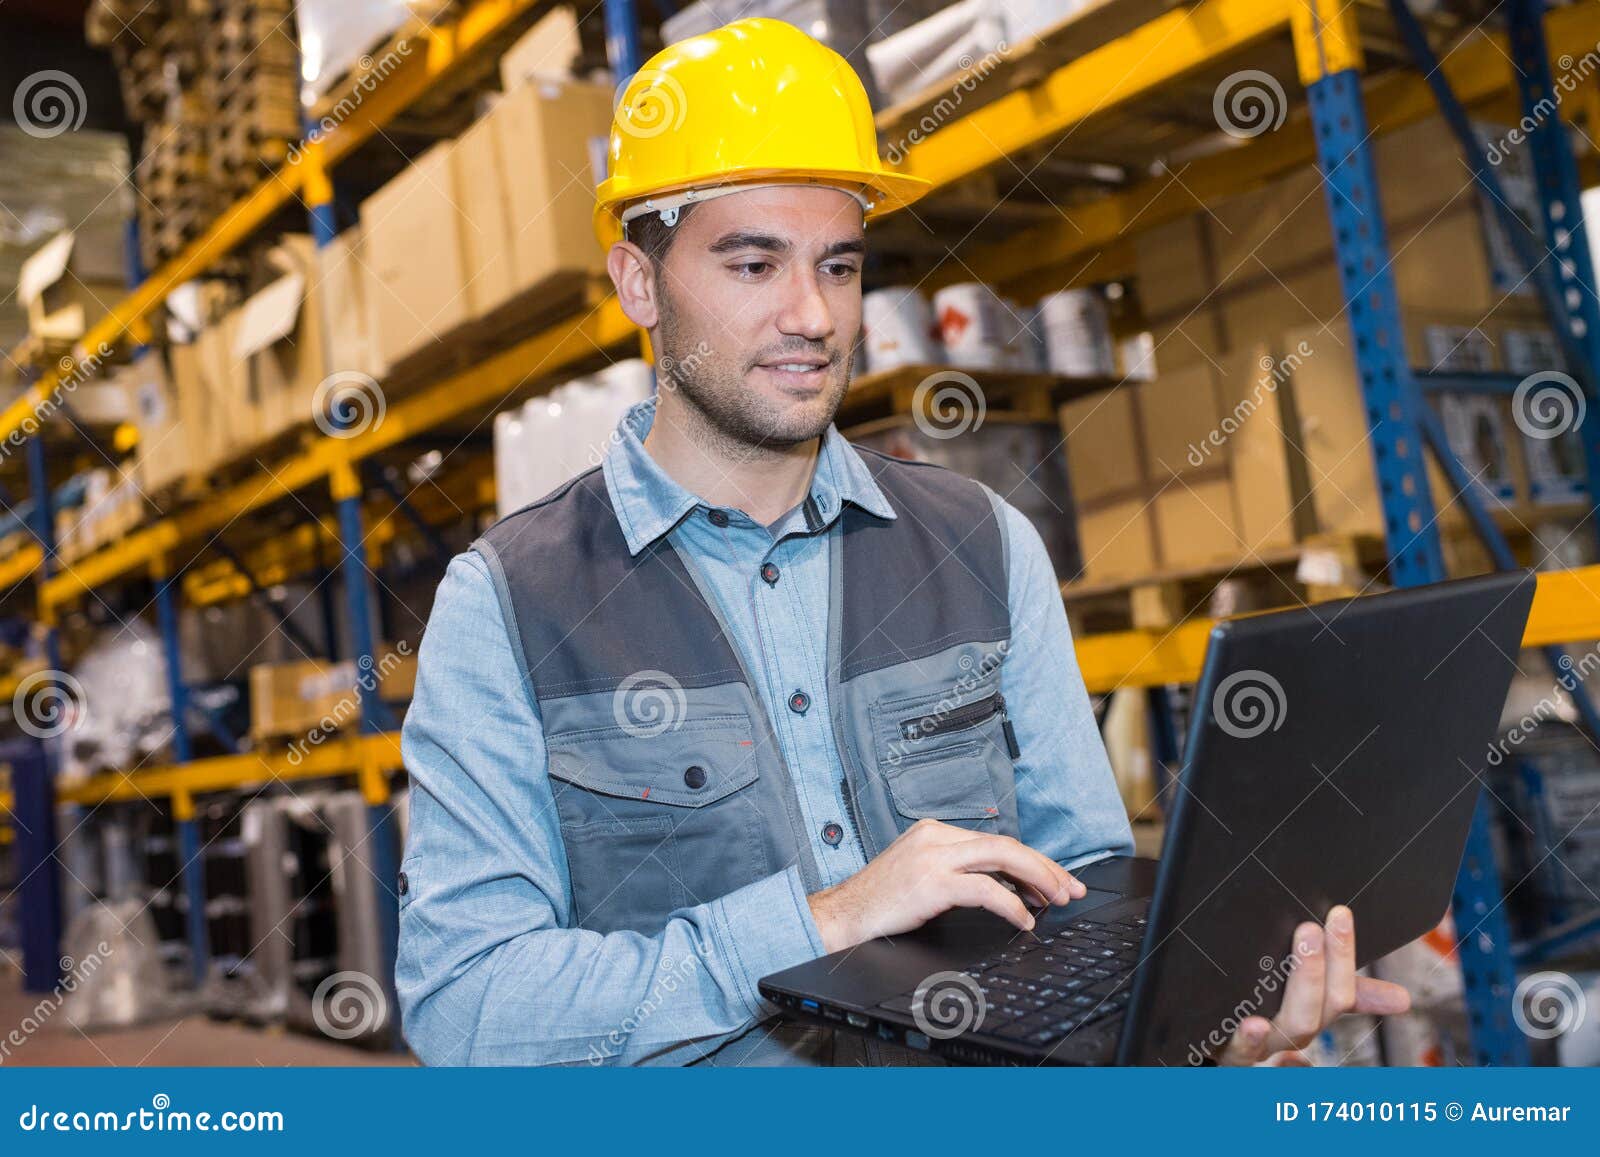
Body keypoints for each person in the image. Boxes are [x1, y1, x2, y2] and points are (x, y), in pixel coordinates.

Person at [395, 18, 1410, 1066]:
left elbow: (1081, 889)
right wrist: (823, 920)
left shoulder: (982, 542)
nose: (812, 315)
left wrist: (1206, 1031)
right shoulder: (512, 601)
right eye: (753, 264)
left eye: (837, 266)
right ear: (639, 283)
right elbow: (469, 1011)